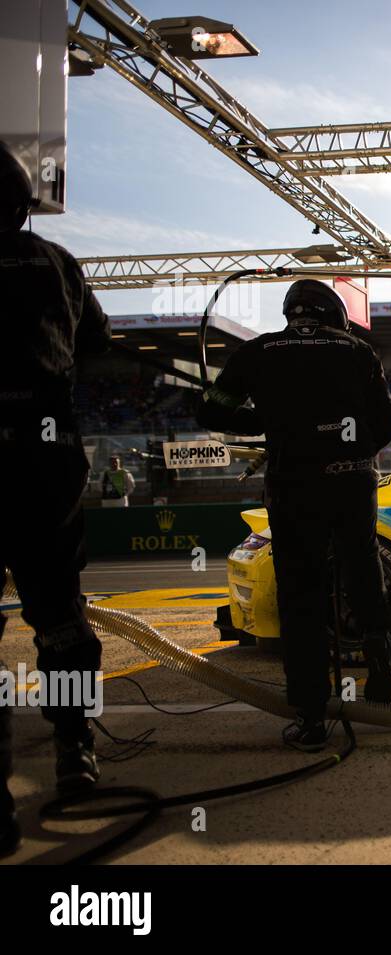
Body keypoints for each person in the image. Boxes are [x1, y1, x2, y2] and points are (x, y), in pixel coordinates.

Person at [198, 279, 391, 750]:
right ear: (335, 315)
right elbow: (386, 425)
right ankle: (379, 660)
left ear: (291, 312)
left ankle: (310, 716)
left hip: (294, 487)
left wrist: (270, 422)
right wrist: (351, 451)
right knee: (361, 562)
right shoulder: (358, 351)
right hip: (352, 482)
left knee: (299, 594)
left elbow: (213, 413)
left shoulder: (257, 351)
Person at [0, 143, 112, 855]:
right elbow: (96, 341)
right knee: (61, 615)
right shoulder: (56, 262)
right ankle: (75, 749)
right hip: (44, 458)